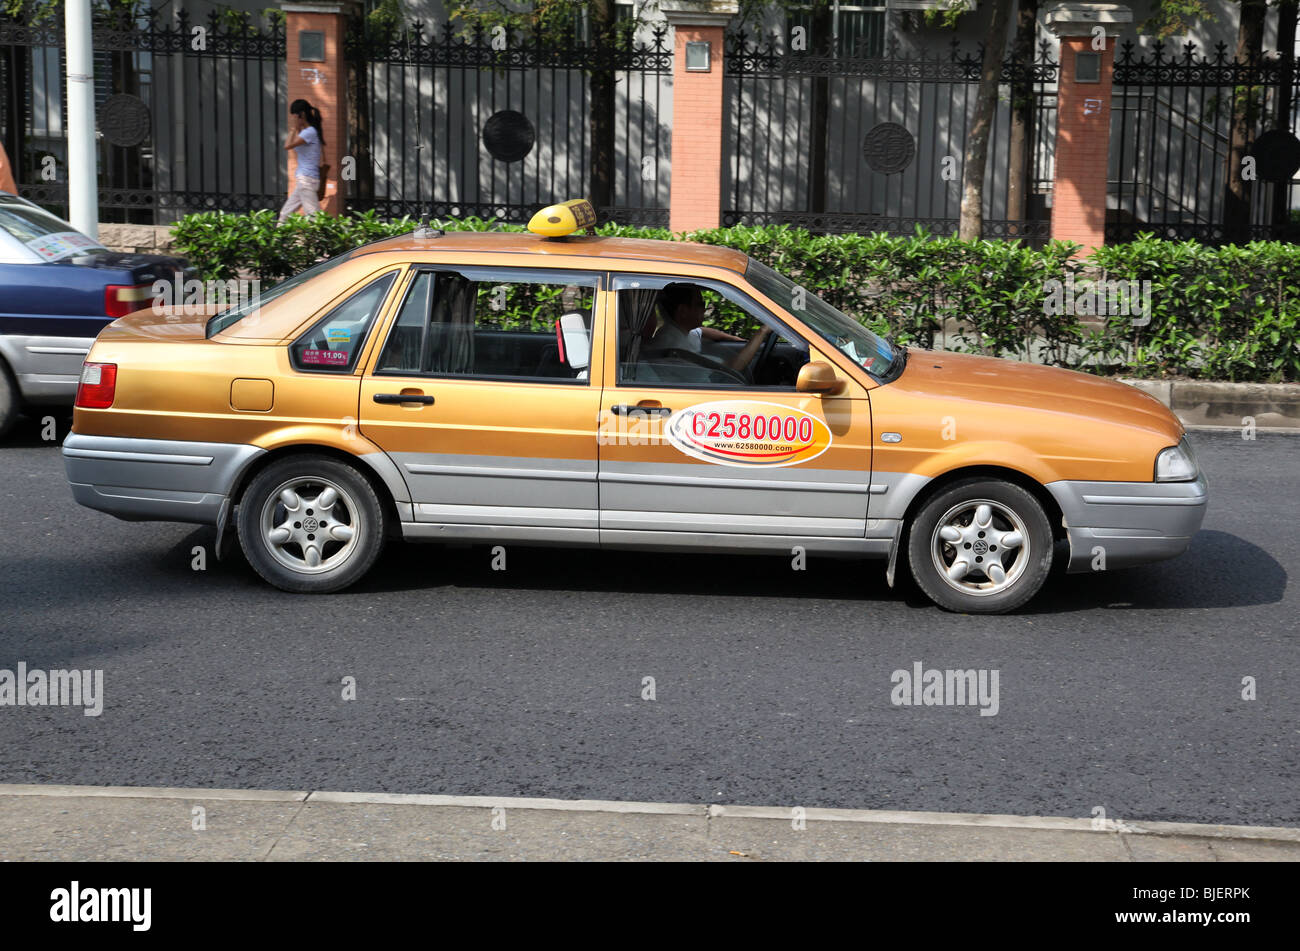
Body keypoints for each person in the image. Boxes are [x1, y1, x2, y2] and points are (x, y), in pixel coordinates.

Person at [649, 282, 770, 373]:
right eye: (700, 304)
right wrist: (762, 331)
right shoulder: (676, 348)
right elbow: (733, 367)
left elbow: (702, 331)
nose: (704, 309)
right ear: (683, 311)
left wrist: (738, 340)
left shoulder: (678, 331)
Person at [278, 99, 324, 223]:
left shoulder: (309, 132)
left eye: (294, 116)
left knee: (314, 217)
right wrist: (297, 128)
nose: (292, 119)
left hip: (307, 180)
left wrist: (294, 128)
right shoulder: (307, 132)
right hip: (305, 180)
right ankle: (279, 235)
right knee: (285, 214)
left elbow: (287, 145)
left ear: (301, 114)